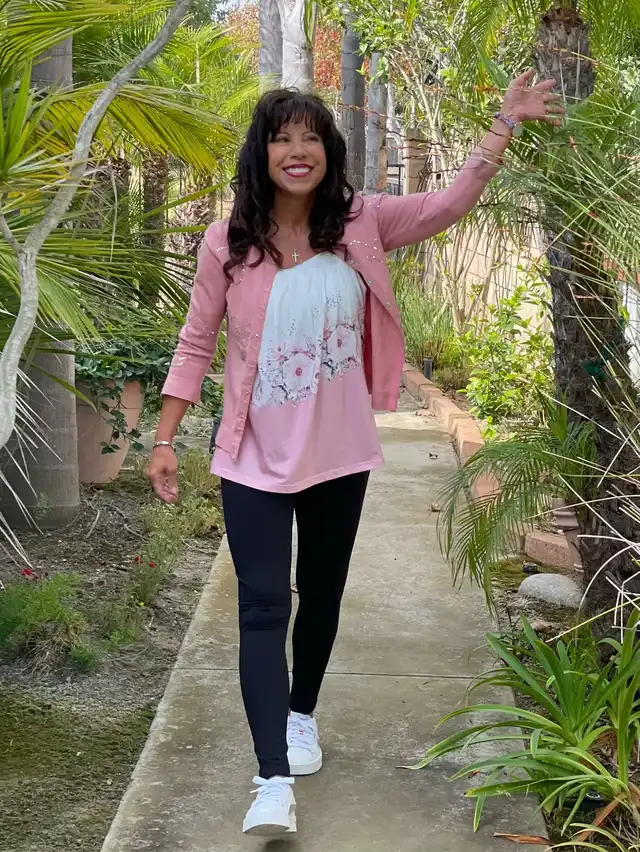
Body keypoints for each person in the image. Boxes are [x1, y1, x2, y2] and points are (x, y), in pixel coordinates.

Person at [147, 72, 563, 837]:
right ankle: (271, 777)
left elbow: (447, 204)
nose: (297, 150)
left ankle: (301, 713)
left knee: (323, 592)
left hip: (337, 454)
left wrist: (503, 124)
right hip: (252, 457)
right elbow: (196, 341)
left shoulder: (361, 222)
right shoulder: (228, 240)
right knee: (262, 606)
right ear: (261, 152)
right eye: (282, 137)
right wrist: (166, 439)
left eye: (311, 137)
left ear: (328, 151)